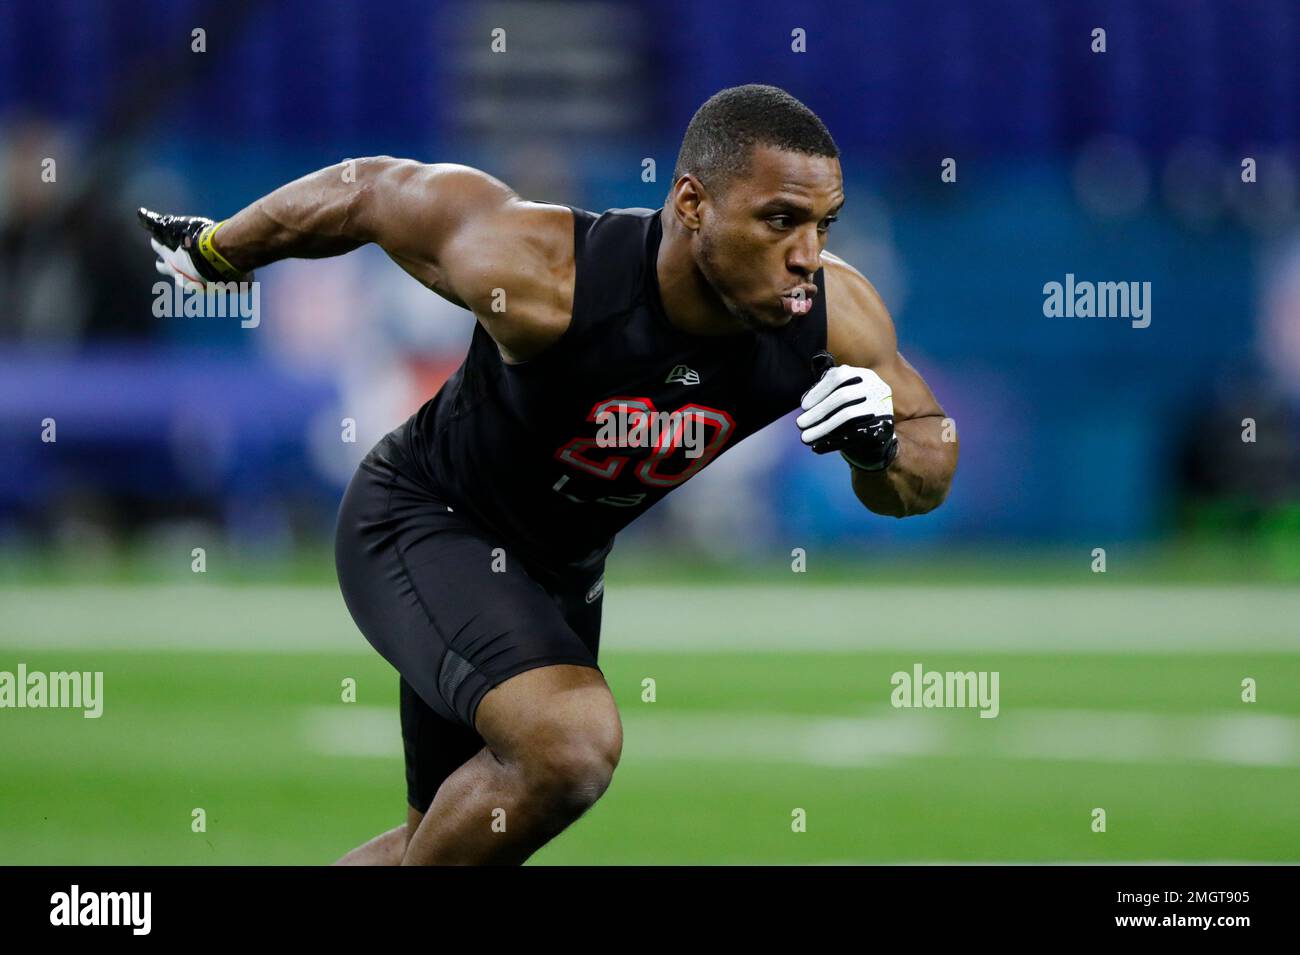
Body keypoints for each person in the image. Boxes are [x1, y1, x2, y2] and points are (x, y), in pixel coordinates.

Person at [138, 84, 958, 865]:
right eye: (780, 219)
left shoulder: (830, 313)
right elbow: (375, 192)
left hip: (557, 573)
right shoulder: (547, 275)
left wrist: (876, 447)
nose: (807, 255)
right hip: (425, 520)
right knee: (571, 743)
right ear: (692, 205)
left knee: (444, 844)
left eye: (824, 223)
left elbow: (928, 463)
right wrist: (215, 250)